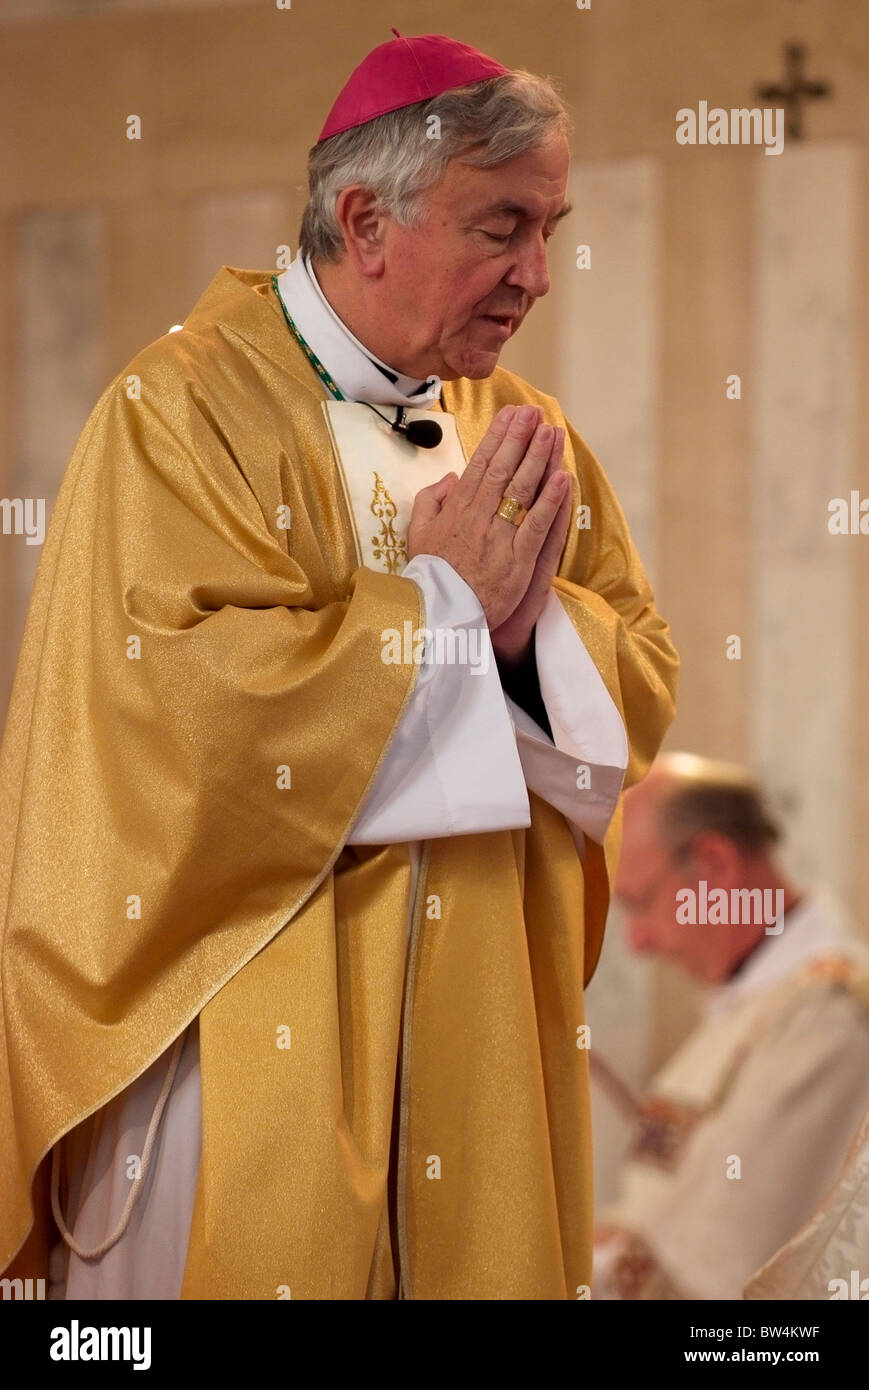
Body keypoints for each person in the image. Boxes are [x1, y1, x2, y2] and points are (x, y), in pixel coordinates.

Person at [0, 31, 677, 1301]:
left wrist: (527, 637)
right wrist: (438, 607)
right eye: (503, 227)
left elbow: (637, 674)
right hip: (240, 1051)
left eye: (550, 228)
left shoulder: (527, 437)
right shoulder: (179, 413)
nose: (537, 273)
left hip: (476, 1051)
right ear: (365, 220)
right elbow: (169, 720)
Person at [593, 752, 869, 1300]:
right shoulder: (751, 1004)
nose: (638, 943)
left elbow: (717, 1264)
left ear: (716, 864)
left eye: (638, 905)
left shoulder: (830, 1014)